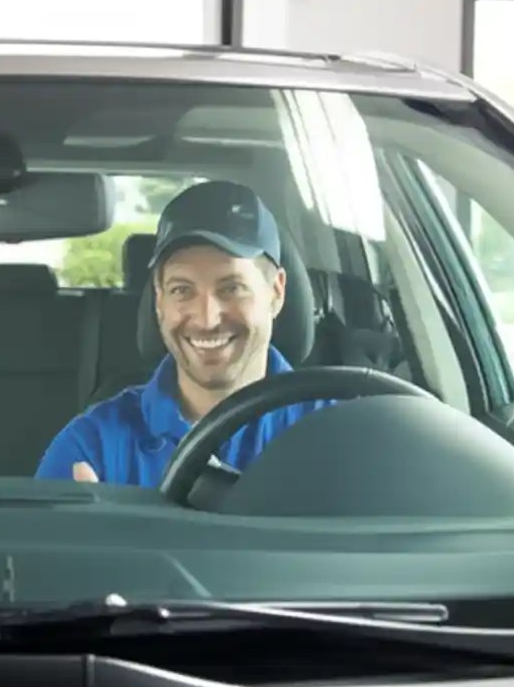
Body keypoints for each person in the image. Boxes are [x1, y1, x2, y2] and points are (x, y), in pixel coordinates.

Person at [35, 180, 334, 486]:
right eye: (182, 289)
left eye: (231, 288)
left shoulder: (338, 434)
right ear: (159, 299)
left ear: (276, 292)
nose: (206, 319)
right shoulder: (92, 447)